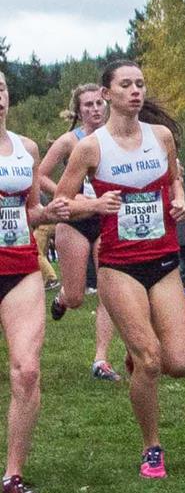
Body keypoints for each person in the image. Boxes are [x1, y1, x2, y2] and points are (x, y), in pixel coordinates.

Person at [56, 60, 185, 478]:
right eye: (126, 85)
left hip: (164, 259)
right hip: (119, 265)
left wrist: (179, 198)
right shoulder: (90, 147)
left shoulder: (162, 137)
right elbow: (61, 201)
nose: (136, 91)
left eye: (140, 84)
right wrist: (94, 204)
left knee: (180, 363)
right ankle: (152, 447)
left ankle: (136, 362)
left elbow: (174, 179)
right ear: (107, 94)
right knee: (151, 360)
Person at [0, 70, 69, 493]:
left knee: (27, 370)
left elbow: (29, 212)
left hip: (19, 266)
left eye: (1, 89)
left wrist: (51, 212)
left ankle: (13, 475)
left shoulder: (26, 149)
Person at [38, 82, 122, 382]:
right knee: (76, 297)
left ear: (107, 104)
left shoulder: (115, 139)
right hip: (73, 219)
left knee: (108, 291)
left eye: (99, 103)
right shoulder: (68, 141)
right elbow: (40, 174)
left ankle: (101, 359)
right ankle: (62, 297)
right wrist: (66, 195)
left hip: (104, 219)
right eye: (88, 105)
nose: (95, 109)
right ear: (79, 110)